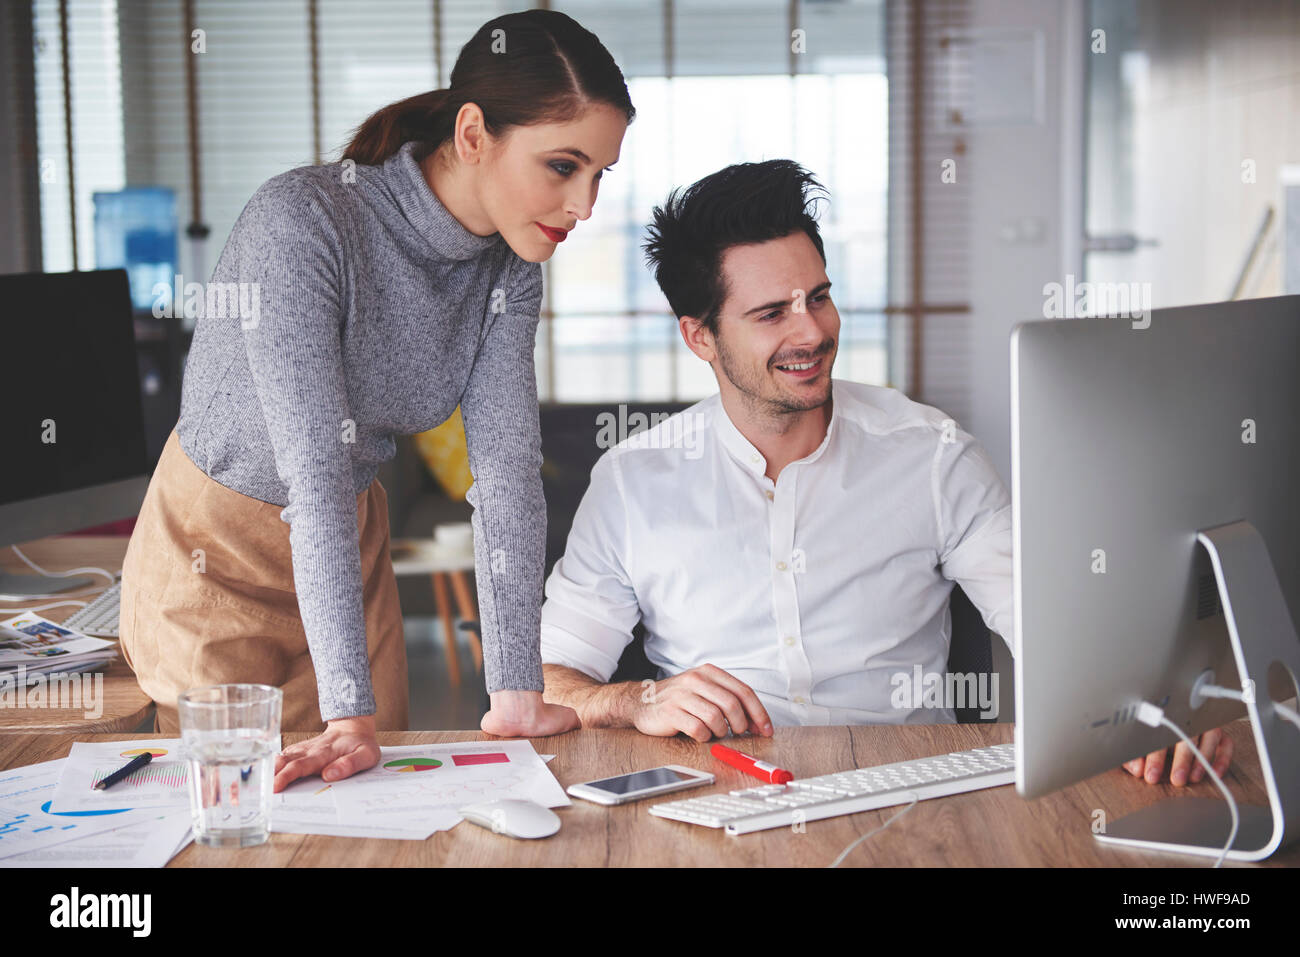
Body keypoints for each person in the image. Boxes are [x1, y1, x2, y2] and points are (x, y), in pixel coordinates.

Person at [537, 159, 1234, 788]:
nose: (812, 331)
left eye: (818, 296)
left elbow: (1050, 622)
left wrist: (1157, 701)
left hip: (910, 788)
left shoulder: (931, 453)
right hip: (716, 791)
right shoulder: (633, 480)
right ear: (700, 336)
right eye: (772, 313)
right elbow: (546, 681)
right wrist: (638, 698)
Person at [117, 10, 632, 791]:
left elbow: (505, 480)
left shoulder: (511, 267)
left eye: (600, 174)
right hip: (212, 556)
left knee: (373, 804)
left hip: (347, 541)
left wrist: (517, 691)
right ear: (471, 134)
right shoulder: (304, 221)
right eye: (563, 166)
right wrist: (348, 711)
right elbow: (313, 473)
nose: (585, 206)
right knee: (236, 808)